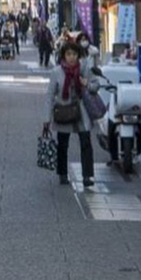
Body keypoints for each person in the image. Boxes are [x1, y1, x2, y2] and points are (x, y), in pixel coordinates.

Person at [44, 43, 97, 187]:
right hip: (64, 110)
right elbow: (50, 95)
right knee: (63, 144)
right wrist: (47, 118)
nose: (71, 57)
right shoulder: (56, 72)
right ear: (63, 56)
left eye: (74, 54)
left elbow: (95, 85)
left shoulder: (84, 69)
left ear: (78, 56)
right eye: (68, 54)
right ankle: (62, 173)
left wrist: (86, 83)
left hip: (81, 110)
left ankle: (87, 176)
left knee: (86, 142)